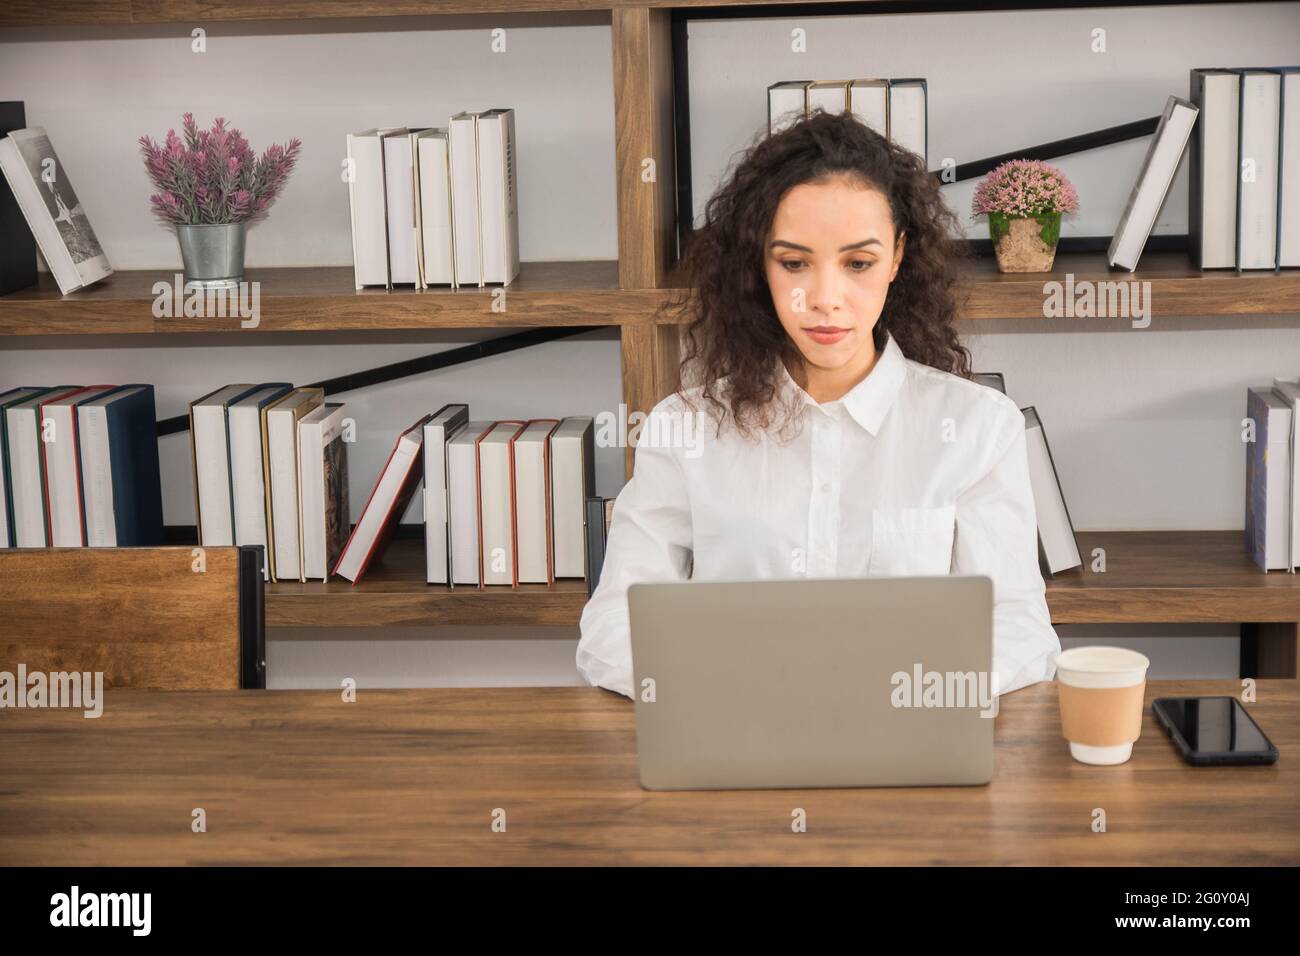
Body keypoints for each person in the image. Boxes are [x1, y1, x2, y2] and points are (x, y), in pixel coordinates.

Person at [577, 110, 1061, 699]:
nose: (825, 299)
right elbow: (611, 632)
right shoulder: (683, 429)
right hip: (737, 750)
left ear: (898, 258)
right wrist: (740, 690)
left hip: (909, 748)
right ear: (760, 263)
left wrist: (899, 689)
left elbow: (1021, 630)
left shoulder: (981, 428)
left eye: (858, 264)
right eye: (794, 263)